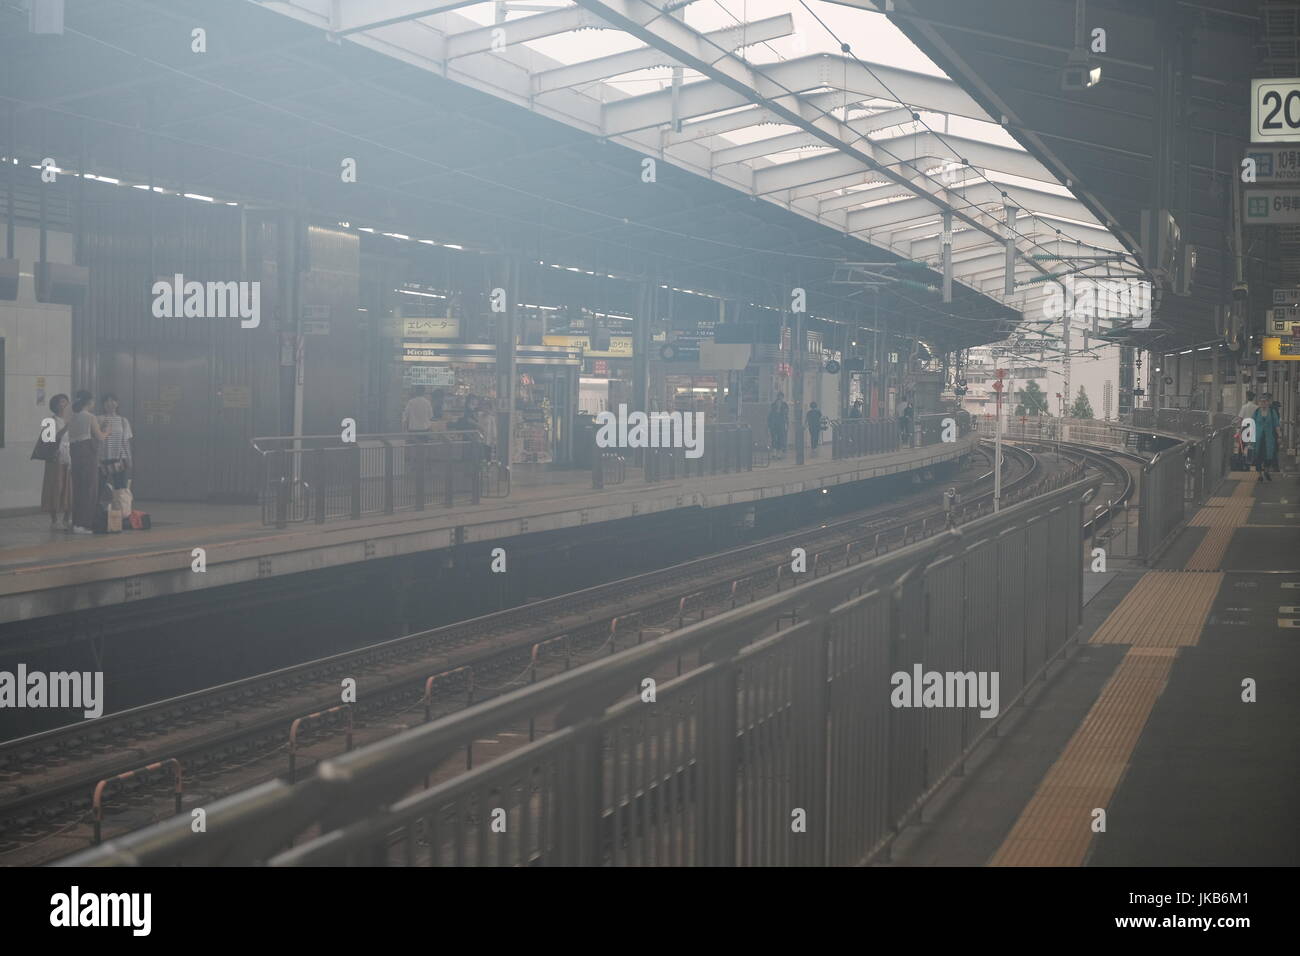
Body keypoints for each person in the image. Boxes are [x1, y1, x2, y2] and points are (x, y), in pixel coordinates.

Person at [67, 391, 106, 535]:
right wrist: (107, 430)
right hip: (88, 455)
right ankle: (84, 524)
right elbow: (100, 437)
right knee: (90, 490)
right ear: (89, 401)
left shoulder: (72, 418)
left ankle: (76, 522)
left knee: (78, 489)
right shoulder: (90, 417)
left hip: (75, 454)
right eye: (93, 401)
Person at [37, 394, 73, 529]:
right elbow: (49, 440)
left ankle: (67, 517)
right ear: (55, 406)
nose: (63, 405)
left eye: (65, 402)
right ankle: (54, 519)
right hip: (55, 458)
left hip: (70, 458)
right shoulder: (50, 421)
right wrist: (65, 428)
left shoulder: (73, 419)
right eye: (60, 402)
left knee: (69, 487)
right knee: (55, 486)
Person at [98, 393, 133, 493]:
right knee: (99, 487)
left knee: (120, 487)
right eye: (106, 401)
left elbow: (126, 442)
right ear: (103, 404)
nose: (110, 403)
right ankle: (98, 508)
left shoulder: (123, 420)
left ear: (117, 403)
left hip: (119, 458)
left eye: (112, 400)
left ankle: (120, 508)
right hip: (102, 458)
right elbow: (96, 438)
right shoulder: (98, 419)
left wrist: (129, 458)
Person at [1252, 395, 1279, 482]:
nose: (1263, 403)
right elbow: (1252, 425)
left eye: (1264, 401)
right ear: (1259, 403)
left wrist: (1280, 436)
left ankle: (1266, 471)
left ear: (1268, 402)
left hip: (1269, 439)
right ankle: (1259, 475)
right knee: (1258, 457)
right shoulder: (1256, 412)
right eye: (1261, 401)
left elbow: (1276, 425)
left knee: (1269, 456)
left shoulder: (1272, 412)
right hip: (1258, 439)